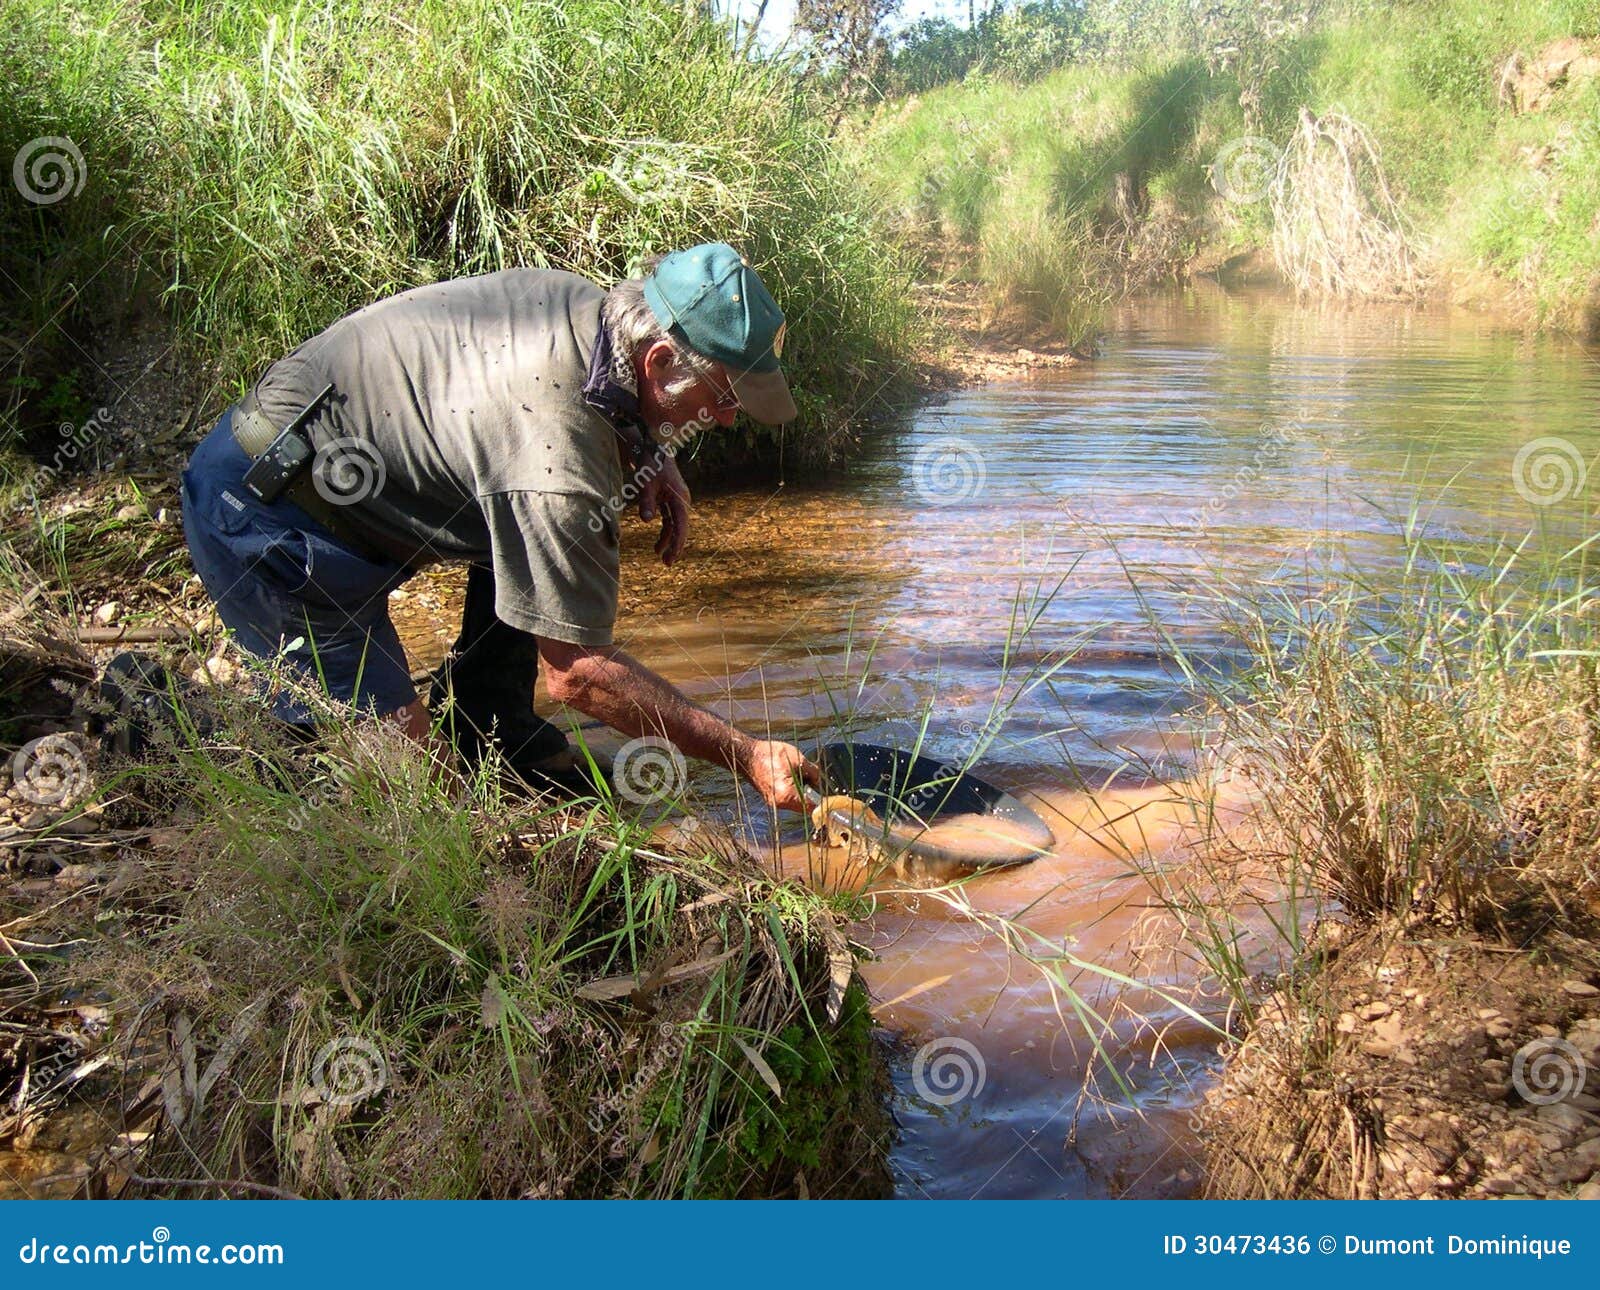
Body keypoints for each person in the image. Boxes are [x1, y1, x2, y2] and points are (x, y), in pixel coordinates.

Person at [177, 242, 818, 812]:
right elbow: (577, 673)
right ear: (656, 362)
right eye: (725, 395)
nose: (730, 419)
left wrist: (651, 447)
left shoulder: (585, 310)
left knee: (526, 545)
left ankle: (496, 732)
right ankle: (190, 742)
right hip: (268, 524)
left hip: (312, 463)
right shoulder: (554, 461)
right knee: (427, 814)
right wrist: (744, 754)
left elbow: (573, 409)